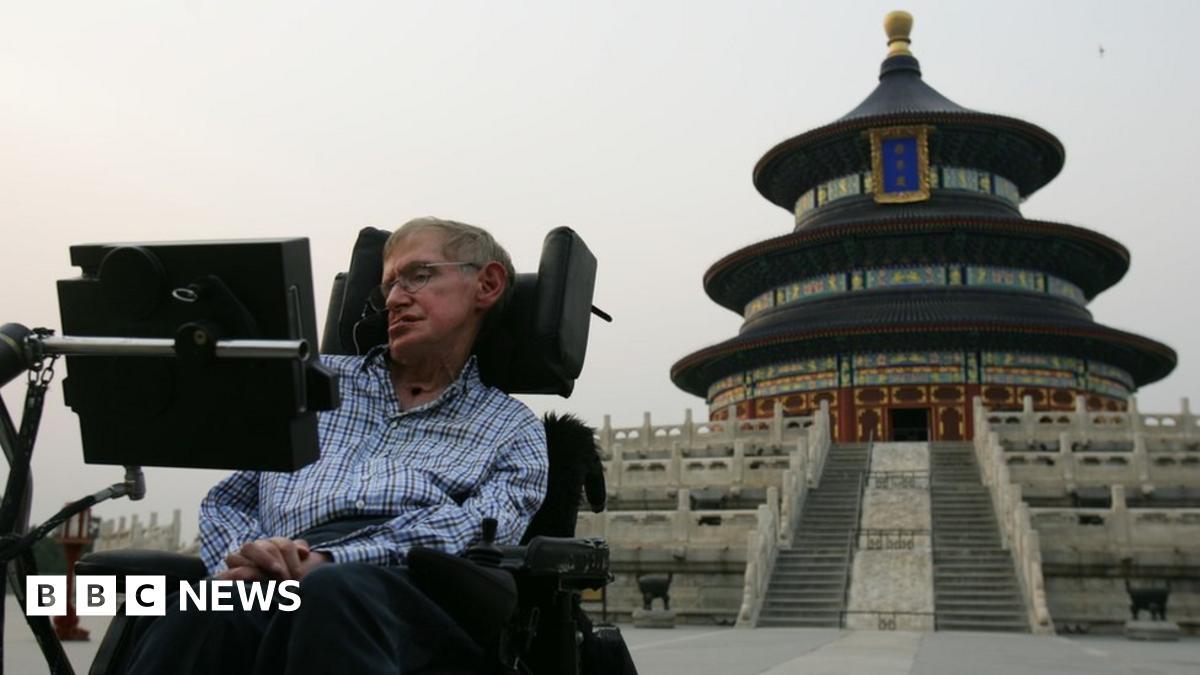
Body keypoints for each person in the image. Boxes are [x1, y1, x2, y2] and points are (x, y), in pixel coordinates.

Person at [123, 217, 549, 674]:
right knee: (198, 609)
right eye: (388, 287)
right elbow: (228, 499)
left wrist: (329, 561)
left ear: (486, 284)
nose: (396, 299)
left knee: (331, 597)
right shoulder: (313, 381)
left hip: (401, 591)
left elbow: (478, 532)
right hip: (276, 573)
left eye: (419, 275)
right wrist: (249, 560)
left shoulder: (512, 428)